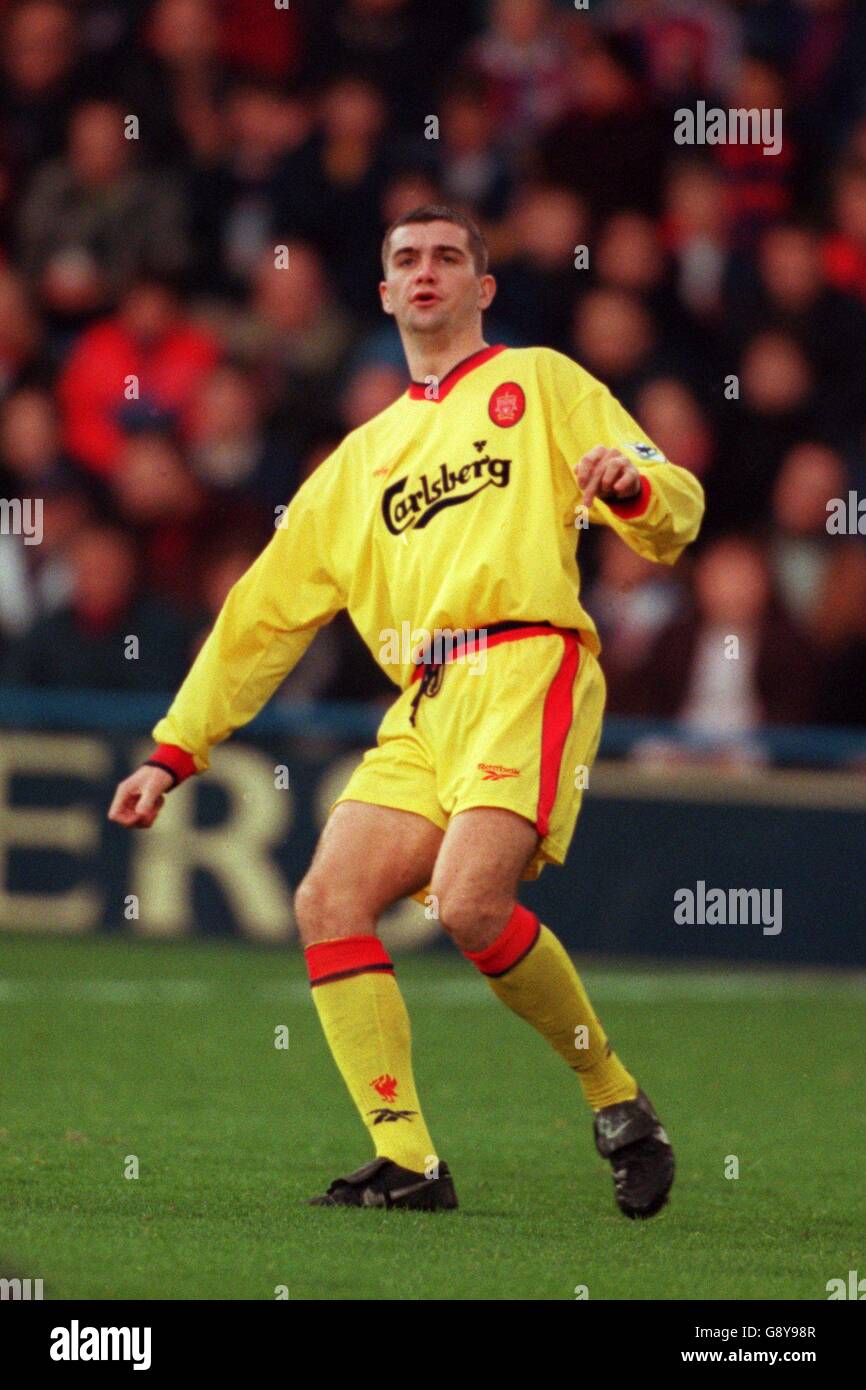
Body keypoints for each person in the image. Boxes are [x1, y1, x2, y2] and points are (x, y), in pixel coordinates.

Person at [108, 206, 704, 1217]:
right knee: (325, 900)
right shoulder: (358, 459)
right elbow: (261, 614)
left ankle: (615, 1100)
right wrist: (174, 747)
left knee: (469, 905)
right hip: (423, 697)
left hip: (526, 664)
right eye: (405, 261)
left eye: (447, 257)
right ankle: (409, 1162)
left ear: (482, 286)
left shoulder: (543, 382)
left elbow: (670, 509)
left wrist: (631, 487)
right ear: (384, 294)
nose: (425, 272)